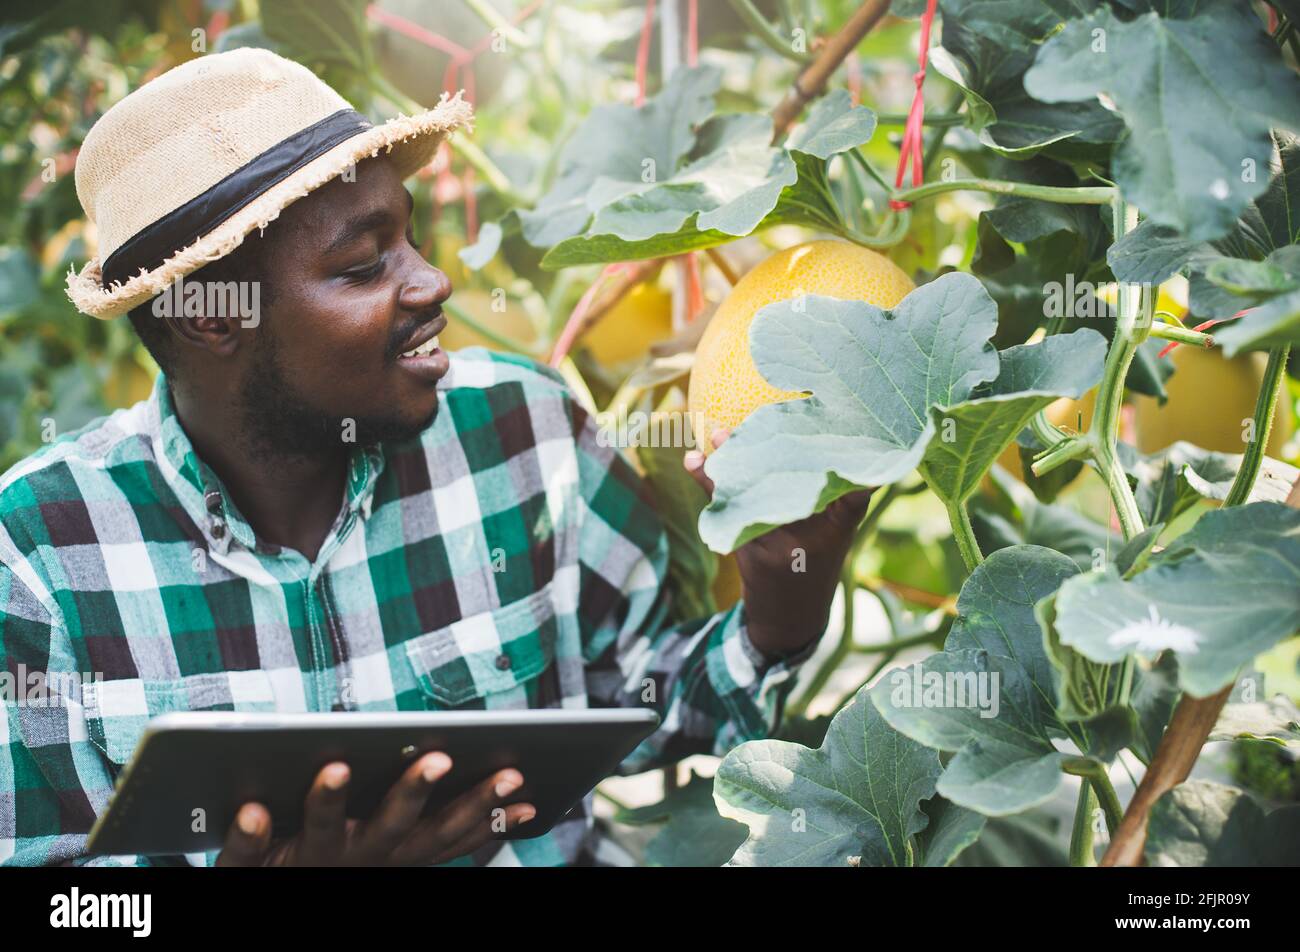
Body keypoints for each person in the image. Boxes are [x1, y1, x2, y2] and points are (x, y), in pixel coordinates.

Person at [0, 49, 868, 867]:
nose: (429, 283)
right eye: (364, 263)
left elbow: (651, 710)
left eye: (409, 240)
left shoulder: (527, 428)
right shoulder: (40, 556)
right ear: (212, 316)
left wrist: (778, 610)